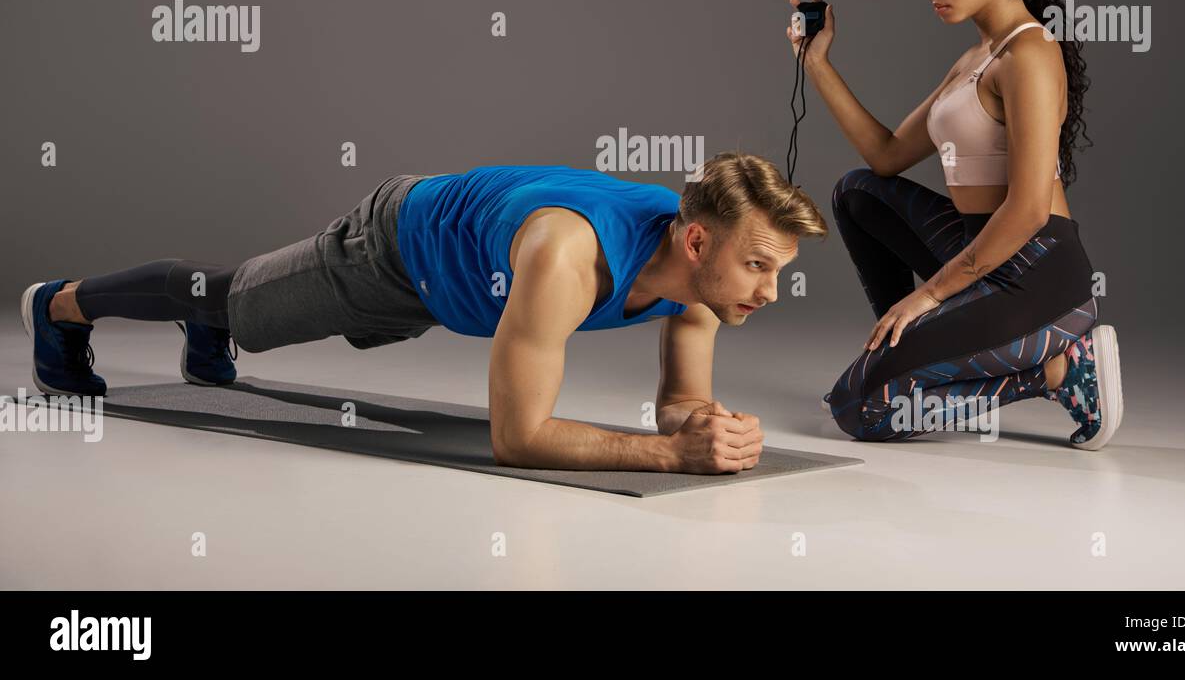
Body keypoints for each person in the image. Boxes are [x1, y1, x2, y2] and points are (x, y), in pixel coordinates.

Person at [20, 153, 828, 474]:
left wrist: (704, 427)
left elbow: (681, 403)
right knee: (224, 293)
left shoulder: (703, 286)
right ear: (695, 240)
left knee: (236, 313)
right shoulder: (565, 256)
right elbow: (517, 436)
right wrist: (669, 458)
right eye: (759, 266)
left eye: (779, 271)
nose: (768, 289)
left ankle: (213, 330)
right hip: (395, 253)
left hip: (466, 286)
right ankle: (59, 304)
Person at [792, 0, 1123, 450]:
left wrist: (927, 295)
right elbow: (887, 156)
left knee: (860, 410)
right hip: (981, 252)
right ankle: (894, 342)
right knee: (859, 191)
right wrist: (817, 63)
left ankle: (1058, 369)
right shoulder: (977, 55)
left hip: (1037, 272)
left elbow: (1025, 212)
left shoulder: (1030, 54)